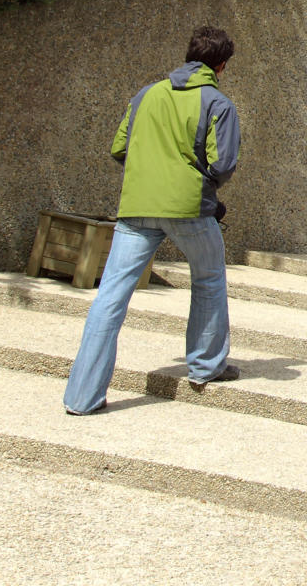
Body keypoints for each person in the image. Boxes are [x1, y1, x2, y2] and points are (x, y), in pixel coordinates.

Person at [63, 25, 243, 415]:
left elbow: (119, 147)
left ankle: (82, 397)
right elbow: (223, 164)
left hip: (137, 207)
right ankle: (205, 367)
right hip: (189, 209)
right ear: (222, 65)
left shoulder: (146, 94)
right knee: (209, 279)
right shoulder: (218, 103)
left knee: (110, 297)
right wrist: (201, 187)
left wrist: (150, 175)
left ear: (188, 55)